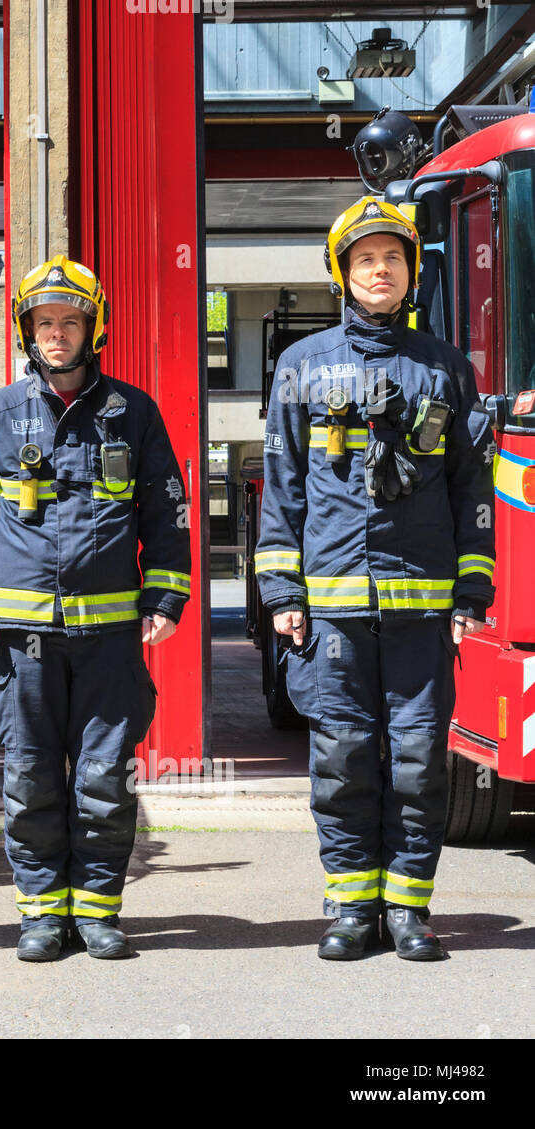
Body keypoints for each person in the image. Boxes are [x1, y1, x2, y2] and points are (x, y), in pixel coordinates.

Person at [256, 197, 496, 961]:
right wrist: (283, 595)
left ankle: (409, 910)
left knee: (421, 758)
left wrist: (470, 592)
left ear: (410, 270)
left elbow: (471, 489)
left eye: (392, 258)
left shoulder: (446, 368)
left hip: (424, 606)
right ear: (343, 273)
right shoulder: (302, 367)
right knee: (343, 756)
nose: (380, 270)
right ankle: (351, 906)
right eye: (365, 260)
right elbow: (283, 484)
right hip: (332, 609)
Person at [0, 255, 191, 961]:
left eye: (69, 322)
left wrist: (167, 594)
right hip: (23, 640)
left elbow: (167, 511)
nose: (57, 334)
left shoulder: (133, 413)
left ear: (93, 328)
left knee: (105, 777)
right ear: (27, 331)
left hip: (110, 635)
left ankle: (100, 912)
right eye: (45, 322)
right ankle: (42, 916)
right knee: (31, 776)